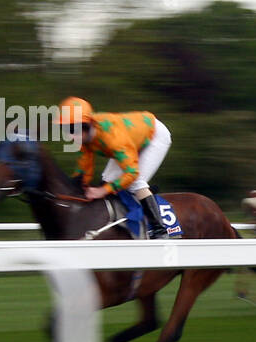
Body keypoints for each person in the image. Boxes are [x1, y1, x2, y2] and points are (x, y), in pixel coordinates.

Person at [57, 96, 175, 239]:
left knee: (135, 182)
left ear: (86, 125)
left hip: (155, 136)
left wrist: (102, 191)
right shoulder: (85, 138)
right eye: (65, 130)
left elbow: (131, 173)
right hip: (131, 139)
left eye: (72, 130)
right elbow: (85, 167)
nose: (70, 136)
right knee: (107, 179)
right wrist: (80, 186)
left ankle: (160, 229)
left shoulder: (112, 139)